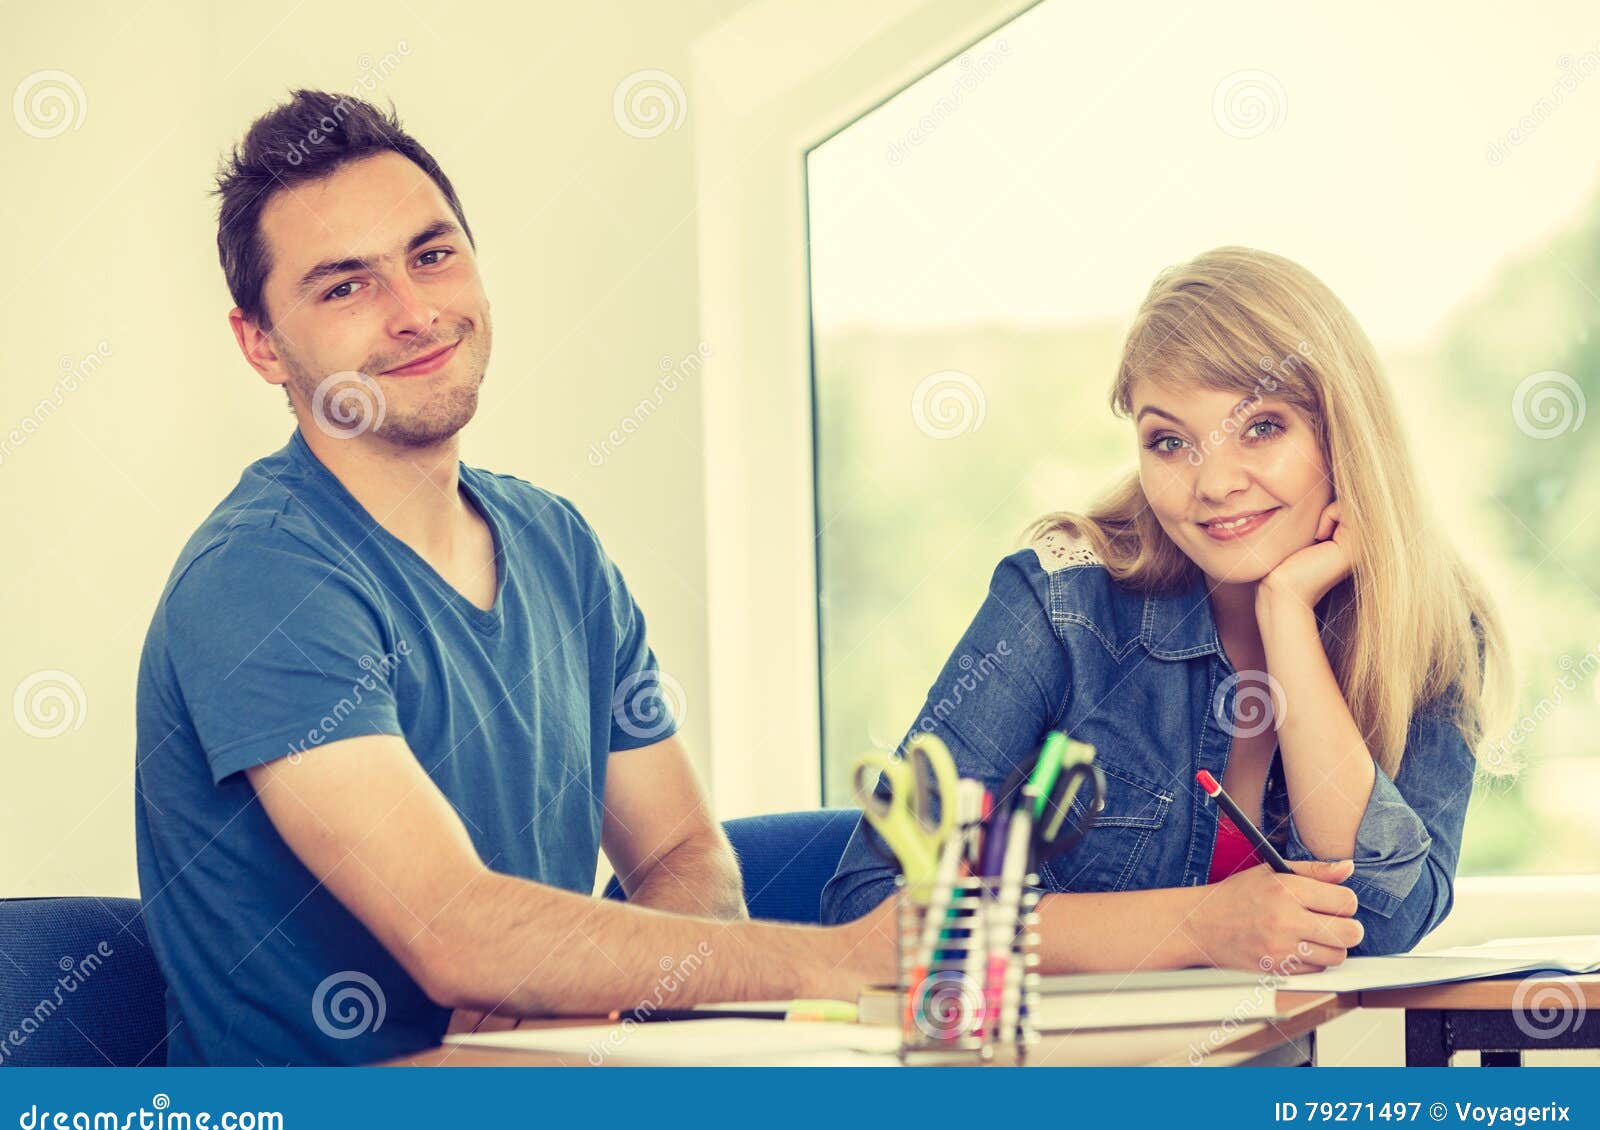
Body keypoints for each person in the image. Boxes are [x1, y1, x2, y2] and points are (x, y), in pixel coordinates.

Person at [134, 90, 888, 1066]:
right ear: (261, 344)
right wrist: (834, 960)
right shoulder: (259, 577)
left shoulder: (555, 541)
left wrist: (589, 997)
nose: (415, 313)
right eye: (346, 287)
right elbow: (454, 931)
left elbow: (683, 854)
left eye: (432, 255)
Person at [822, 246, 1510, 975]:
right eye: (1170, 442)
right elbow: (866, 912)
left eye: (1262, 427)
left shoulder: (1430, 625)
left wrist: (1287, 616)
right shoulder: (1062, 604)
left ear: (1343, 432)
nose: (1212, 483)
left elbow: (1383, 918)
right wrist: (1197, 925)